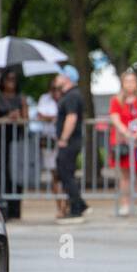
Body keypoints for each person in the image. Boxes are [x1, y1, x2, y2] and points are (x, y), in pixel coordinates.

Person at [108, 69, 137, 216]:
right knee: (124, 176)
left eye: (132, 81)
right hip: (122, 142)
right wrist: (126, 133)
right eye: (127, 81)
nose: (130, 84)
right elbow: (115, 118)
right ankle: (125, 205)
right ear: (122, 83)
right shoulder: (116, 100)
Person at [0, 69, 27, 216]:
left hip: (16, 140)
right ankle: (2, 209)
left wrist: (18, 118)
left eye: (14, 79)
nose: (11, 82)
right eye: (8, 79)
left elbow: (26, 120)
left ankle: (16, 209)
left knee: (16, 173)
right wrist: (7, 118)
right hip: (0, 141)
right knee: (0, 172)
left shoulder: (21, 99)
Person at [54, 66, 87, 224]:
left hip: (69, 141)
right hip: (70, 141)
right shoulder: (68, 95)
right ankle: (79, 204)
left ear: (67, 78)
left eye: (60, 75)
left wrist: (63, 138)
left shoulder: (72, 96)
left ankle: (77, 206)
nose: (57, 78)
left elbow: (71, 118)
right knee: (65, 173)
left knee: (66, 173)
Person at [32, 79, 65, 217]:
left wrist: (54, 118)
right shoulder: (44, 99)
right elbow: (40, 115)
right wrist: (54, 118)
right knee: (54, 174)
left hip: (63, 139)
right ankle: (59, 206)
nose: (56, 92)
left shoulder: (66, 98)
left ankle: (66, 205)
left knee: (65, 174)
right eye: (53, 89)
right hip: (49, 140)